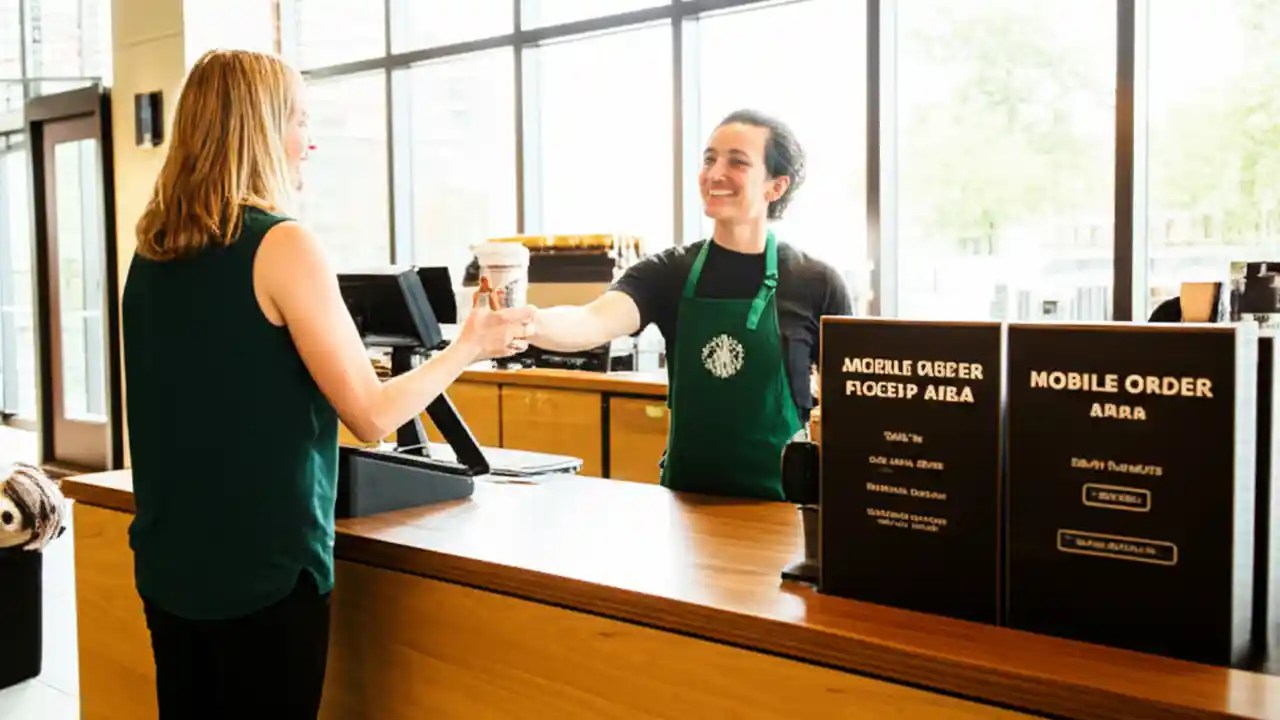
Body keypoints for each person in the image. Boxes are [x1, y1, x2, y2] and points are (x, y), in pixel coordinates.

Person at [121, 49, 534, 719]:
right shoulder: (282, 244)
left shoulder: (153, 252)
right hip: (264, 574)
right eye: (299, 120)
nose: (309, 141)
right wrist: (470, 345)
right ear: (256, 127)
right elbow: (371, 415)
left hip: (172, 566)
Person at [529, 109, 852, 501]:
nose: (715, 173)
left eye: (737, 162)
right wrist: (527, 322)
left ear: (776, 187)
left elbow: (849, 402)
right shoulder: (669, 272)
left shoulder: (815, 282)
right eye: (709, 158)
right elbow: (592, 320)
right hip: (685, 506)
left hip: (782, 509)